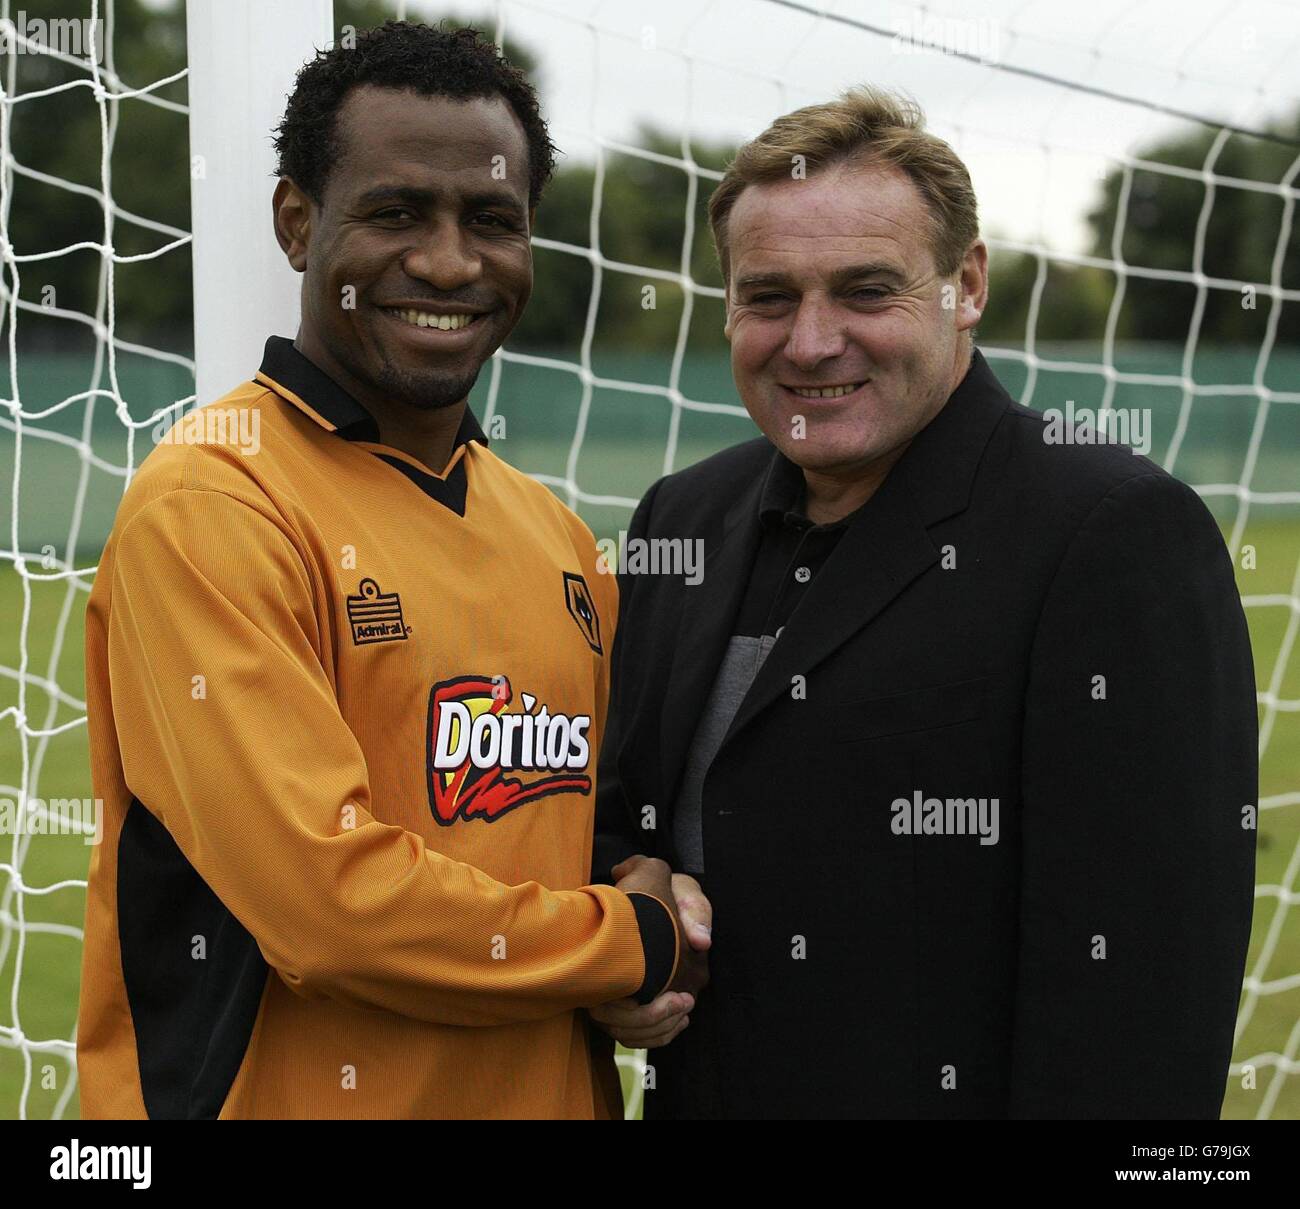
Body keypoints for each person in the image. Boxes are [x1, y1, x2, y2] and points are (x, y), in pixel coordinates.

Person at [592, 85, 1258, 1120]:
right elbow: (613, 817)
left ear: (967, 284)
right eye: (768, 297)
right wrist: (629, 898)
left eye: (866, 290)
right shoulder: (683, 516)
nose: (810, 342)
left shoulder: (1113, 532)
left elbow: (1142, 1000)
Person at [77, 20, 701, 1121]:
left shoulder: (557, 537)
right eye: (397, 212)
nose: (450, 263)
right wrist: (633, 941)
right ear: (296, 221)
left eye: (492, 221)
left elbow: (588, 832)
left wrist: (637, 882)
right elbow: (330, 910)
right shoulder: (214, 503)